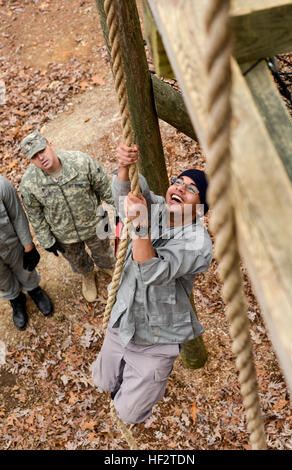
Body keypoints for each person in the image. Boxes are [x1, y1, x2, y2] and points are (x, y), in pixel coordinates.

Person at [92, 142, 212, 424]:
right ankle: (115, 389)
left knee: (128, 412)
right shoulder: (157, 205)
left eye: (191, 189)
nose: (179, 188)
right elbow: (127, 193)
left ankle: (127, 405)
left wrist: (139, 226)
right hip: (123, 320)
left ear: (202, 208)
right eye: (178, 182)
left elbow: (152, 272)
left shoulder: (198, 243)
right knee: (105, 379)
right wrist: (124, 165)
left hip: (157, 339)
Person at [19, 130, 116, 303]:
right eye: (34, 156)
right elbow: (35, 215)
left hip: (95, 224)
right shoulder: (29, 184)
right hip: (64, 236)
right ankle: (87, 275)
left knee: (104, 252)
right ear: (31, 161)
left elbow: (104, 187)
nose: (41, 158)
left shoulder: (80, 161)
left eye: (42, 151)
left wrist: (121, 210)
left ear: (50, 145)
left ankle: (108, 267)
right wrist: (47, 240)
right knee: (77, 260)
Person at [0, 175, 53, 331]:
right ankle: (16, 299)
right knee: (2, 281)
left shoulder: (2, 186)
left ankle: (34, 290)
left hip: (11, 244)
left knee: (25, 269)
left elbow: (17, 217)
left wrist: (29, 247)